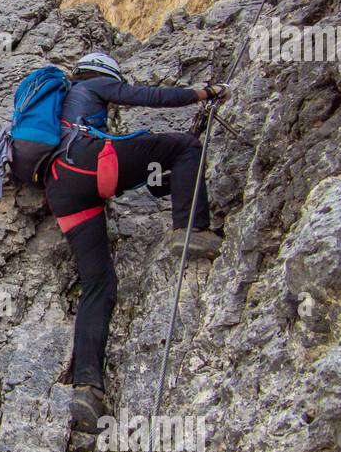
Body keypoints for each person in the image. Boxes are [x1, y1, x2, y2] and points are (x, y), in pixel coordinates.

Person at [42, 51, 228, 432]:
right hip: (92, 166)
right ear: (105, 73)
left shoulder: (61, 106)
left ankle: (87, 388)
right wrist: (202, 93)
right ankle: (191, 230)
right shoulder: (93, 83)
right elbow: (147, 96)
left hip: (63, 188)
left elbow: (142, 170)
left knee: (100, 284)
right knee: (183, 147)